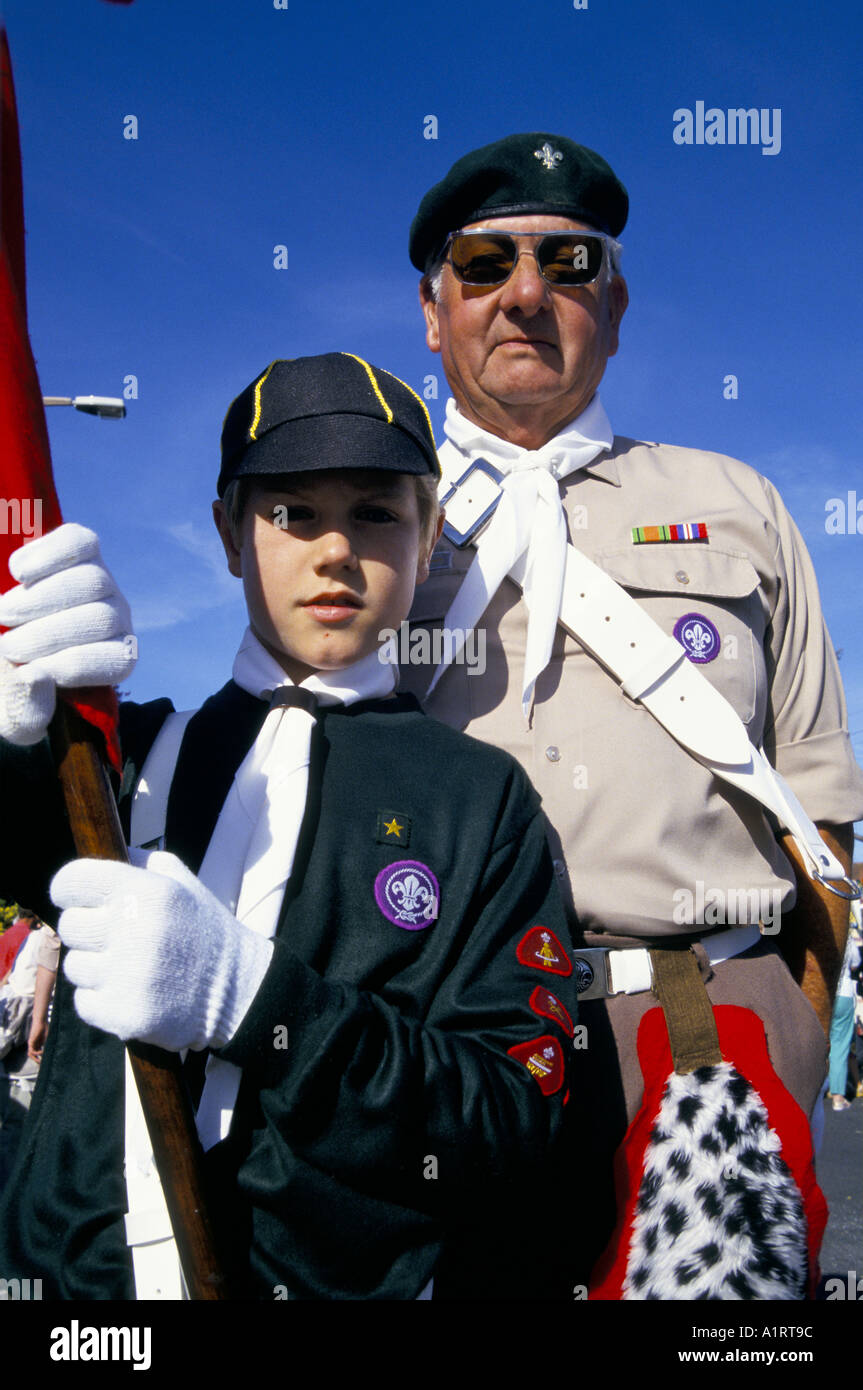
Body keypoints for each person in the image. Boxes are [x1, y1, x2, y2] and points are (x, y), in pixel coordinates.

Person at [0, 351, 578, 1300]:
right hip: (67, 1291)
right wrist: (11, 732)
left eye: (377, 512)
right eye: (290, 512)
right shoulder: (110, 758)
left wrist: (257, 1004)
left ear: (430, 537)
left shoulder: (482, 801)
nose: (335, 549)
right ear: (229, 534)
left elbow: (509, 1120)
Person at [400, 132, 863, 1299]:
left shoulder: (737, 503)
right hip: (440, 1042)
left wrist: (790, 1040)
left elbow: (820, 813)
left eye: (566, 262)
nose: (522, 294)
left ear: (612, 304)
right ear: (430, 308)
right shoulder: (368, 515)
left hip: (706, 1018)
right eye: (480, 262)